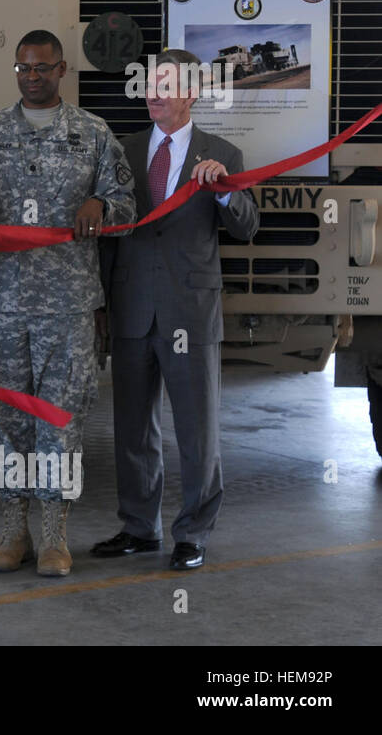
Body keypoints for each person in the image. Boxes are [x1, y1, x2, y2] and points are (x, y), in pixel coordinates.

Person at [0, 30, 135, 578]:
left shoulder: (92, 133)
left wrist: (100, 201)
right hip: (0, 307)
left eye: (42, 68)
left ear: (62, 70)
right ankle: (13, 532)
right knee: (7, 421)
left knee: (60, 423)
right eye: (23, 68)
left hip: (68, 307)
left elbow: (126, 201)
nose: (32, 76)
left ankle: (55, 536)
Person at [93, 49, 259, 570]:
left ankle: (194, 532)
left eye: (165, 85)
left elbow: (247, 227)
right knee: (133, 428)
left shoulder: (223, 154)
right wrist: (101, 303)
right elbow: (110, 239)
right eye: (148, 85)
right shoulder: (125, 150)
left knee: (196, 426)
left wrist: (223, 193)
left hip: (190, 308)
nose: (153, 94)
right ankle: (140, 527)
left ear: (191, 93)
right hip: (132, 306)